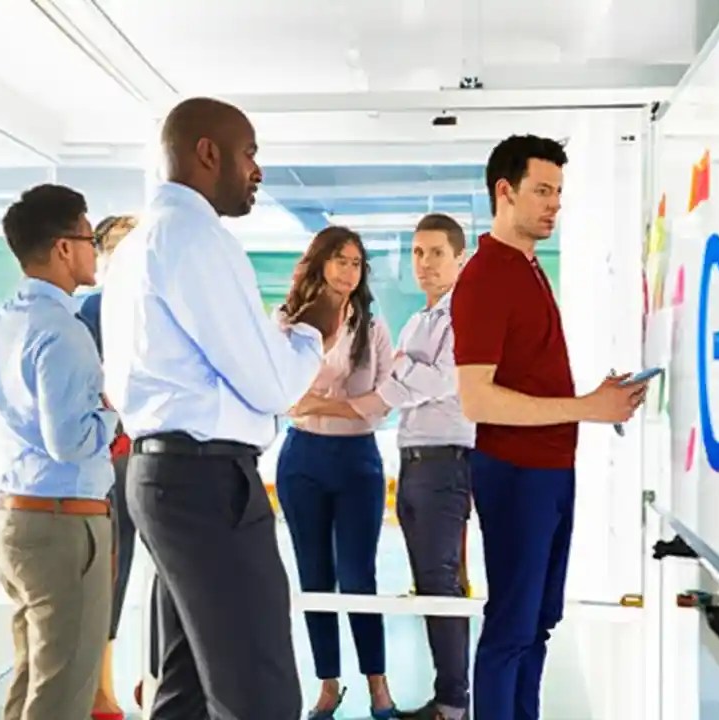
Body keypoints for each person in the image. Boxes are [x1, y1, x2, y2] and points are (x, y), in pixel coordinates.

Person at [100, 96, 346, 720]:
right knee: (257, 692)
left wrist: (279, 341)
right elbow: (271, 386)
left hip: (163, 477)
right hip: (205, 482)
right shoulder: (195, 237)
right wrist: (314, 332)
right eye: (249, 154)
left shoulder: (136, 245)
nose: (257, 170)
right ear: (208, 153)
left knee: (184, 689)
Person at [450, 136, 648, 720]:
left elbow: (530, 379)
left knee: (538, 622)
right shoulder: (487, 276)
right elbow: (476, 399)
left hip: (551, 471)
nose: (553, 205)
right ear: (503, 192)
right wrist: (586, 406)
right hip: (515, 473)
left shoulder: (529, 269)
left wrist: (593, 400)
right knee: (512, 625)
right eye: (541, 191)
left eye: (558, 193)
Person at [0, 184, 118, 720]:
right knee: (63, 694)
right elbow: (71, 442)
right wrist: (114, 408)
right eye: (89, 238)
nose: (94, 251)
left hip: (13, 519)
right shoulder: (65, 331)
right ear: (62, 247)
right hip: (62, 525)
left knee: (32, 676)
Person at [277, 226, 398, 719]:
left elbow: (384, 402)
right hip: (302, 459)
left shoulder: (373, 325)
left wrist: (328, 404)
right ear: (320, 262)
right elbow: (282, 395)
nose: (349, 271)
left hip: (357, 462)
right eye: (340, 260)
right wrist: (343, 403)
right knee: (315, 577)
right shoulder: (287, 322)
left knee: (358, 575)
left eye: (356, 263)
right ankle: (329, 685)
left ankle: (378, 685)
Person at [370, 213, 475, 720]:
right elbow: (398, 391)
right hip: (413, 463)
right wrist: (407, 374)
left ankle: (454, 705)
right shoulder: (418, 321)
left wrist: (404, 370)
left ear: (461, 257)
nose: (425, 263)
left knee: (440, 584)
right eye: (417, 252)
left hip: (446, 463)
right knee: (430, 584)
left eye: (436, 252)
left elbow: (435, 382)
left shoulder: (467, 315)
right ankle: (447, 697)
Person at [75, 213, 141, 719]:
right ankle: (102, 686)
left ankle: (160, 675)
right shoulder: (90, 311)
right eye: (116, 247)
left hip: (154, 457)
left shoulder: (154, 308)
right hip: (108, 460)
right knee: (112, 572)